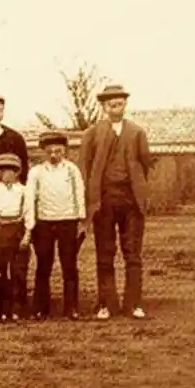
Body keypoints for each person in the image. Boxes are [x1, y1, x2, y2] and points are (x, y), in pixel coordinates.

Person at [79, 84, 154, 320]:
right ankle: (106, 304)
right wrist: (91, 199)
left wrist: (137, 190)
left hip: (131, 200)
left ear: (125, 105)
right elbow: (85, 167)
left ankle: (134, 304)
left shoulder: (136, 132)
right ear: (103, 106)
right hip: (104, 200)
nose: (116, 107)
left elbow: (144, 164)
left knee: (133, 253)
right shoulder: (92, 133)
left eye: (120, 103)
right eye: (111, 104)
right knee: (105, 253)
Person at [25, 131, 88, 320]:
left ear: (65, 151)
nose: (54, 155)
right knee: (44, 265)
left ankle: (71, 308)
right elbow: (30, 198)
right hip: (44, 223)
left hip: (68, 222)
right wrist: (31, 224)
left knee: (69, 265)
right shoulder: (36, 172)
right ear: (44, 151)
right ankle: (40, 308)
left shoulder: (71, 170)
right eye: (50, 151)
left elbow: (79, 194)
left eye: (58, 151)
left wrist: (81, 220)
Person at [0, 154, 32, 321]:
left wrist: (27, 235)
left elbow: (29, 213)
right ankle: (1, 308)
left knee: (18, 271)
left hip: (18, 231)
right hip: (1, 231)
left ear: (18, 173)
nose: (7, 175)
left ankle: (18, 307)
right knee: (1, 270)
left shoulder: (24, 191)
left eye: (11, 171)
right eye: (3, 171)